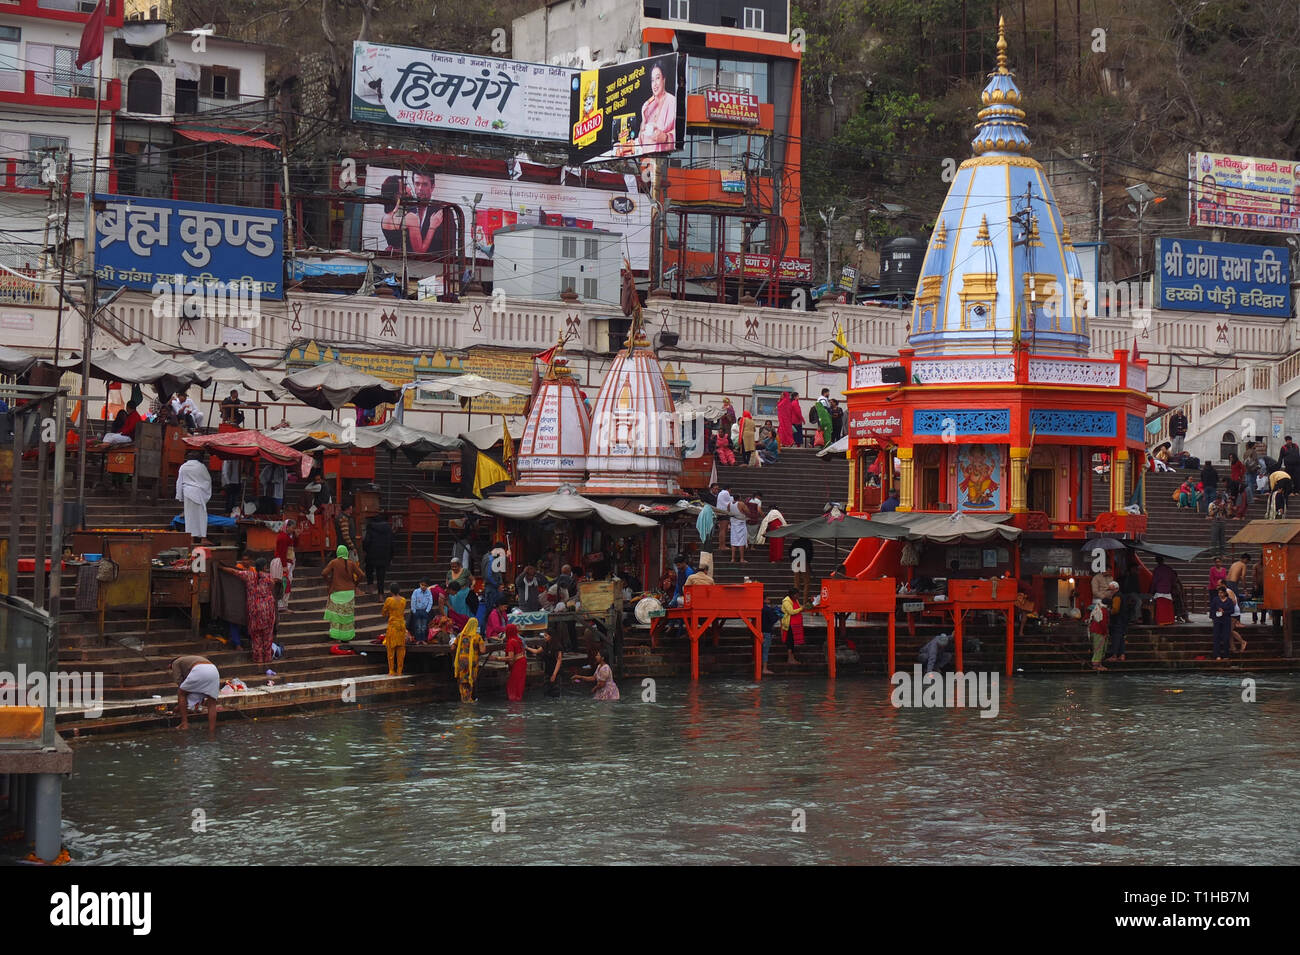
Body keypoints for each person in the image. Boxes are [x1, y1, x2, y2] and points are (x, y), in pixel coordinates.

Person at [322, 544, 364, 641]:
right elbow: (361, 574)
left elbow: (324, 573)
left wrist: (329, 582)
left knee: (336, 616)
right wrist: (355, 584)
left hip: (336, 592)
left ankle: (336, 636)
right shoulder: (351, 563)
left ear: (338, 552)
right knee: (347, 617)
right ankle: (346, 637)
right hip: (349, 593)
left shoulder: (334, 562)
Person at [171, 654, 220, 731]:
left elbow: (179, 682)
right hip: (214, 670)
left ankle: (184, 723)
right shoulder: (190, 660)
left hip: (199, 669)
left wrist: (181, 703)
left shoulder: (175, 662)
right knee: (212, 702)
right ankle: (212, 730)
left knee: (181, 693)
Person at [636, 62, 677, 149]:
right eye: (652, 80)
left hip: (664, 159)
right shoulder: (648, 106)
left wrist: (666, 138)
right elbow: (641, 141)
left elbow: (680, 133)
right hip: (646, 159)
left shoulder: (672, 102)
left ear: (664, 79)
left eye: (657, 78)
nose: (654, 84)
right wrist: (643, 119)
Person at [175, 452, 212, 544]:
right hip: (198, 493)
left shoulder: (183, 467)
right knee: (201, 515)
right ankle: (203, 537)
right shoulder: (201, 466)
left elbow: (179, 482)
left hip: (187, 493)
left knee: (189, 516)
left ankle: (191, 538)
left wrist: (180, 496)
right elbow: (207, 480)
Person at [409, 168, 446, 256]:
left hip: (435, 264)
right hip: (407, 263)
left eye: (425, 184)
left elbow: (450, 247)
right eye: (417, 184)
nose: (420, 188)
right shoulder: (407, 210)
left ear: (432, 187)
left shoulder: (442, 212)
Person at [453, 618, 487, 702]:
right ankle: (468, 699)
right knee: (469, 679)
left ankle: (463, 698)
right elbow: (482, 650)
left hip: (461, 661)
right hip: (472, 662)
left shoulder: (460, 636)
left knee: (462, 680)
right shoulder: (477, 637)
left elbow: (453, 647)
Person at [362, 513, 394, 597]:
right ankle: (380, 595)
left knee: (369, 570)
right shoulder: (388, 528)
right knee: (381, 575)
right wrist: (391, 556)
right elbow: (392, 543)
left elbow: (367, 541)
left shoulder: (370, 528)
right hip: (384, 555)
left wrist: (365, 549)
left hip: (372, 554)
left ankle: (370, 587)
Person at [381, 583, 408, 676]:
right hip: (401, 625)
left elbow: (384, 613)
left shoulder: (389, 600)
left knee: (391, 649)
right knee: (401, 649)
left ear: (391, 591)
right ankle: (400, 670)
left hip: (393, 626)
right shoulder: (403, 600)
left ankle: (391, 670)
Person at [499, 623, 527, 702]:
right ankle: (518, 699)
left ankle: (514, 702)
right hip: (523, 661)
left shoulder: (511, 642)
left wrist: (497, 658)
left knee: (513, 684)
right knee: (519, 683)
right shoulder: (519, 639)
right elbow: (523, 651)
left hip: (518, 663)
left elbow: (510, 658)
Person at [479, 541, 505, 628]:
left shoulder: (486, 557)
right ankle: (485, 632)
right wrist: (497, 585)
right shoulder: (491, 559)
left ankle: (487, 631)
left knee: (489, 612)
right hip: (492, 588)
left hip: (490, 588)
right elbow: (488, 576)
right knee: (490, 612)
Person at [1210, 583, 1237, 661]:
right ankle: (1217, 655)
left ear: (1225, 593)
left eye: (1221, 592)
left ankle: (1226, 655)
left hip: (1226, 620)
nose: (1220, 594)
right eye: (1219, 593)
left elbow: (1232, 610)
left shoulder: (1229, 601)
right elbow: (1212, 610)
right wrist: (1215, 615)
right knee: (1216, 637)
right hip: (1218, 620)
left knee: (1226, 638)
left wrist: (1224, 612)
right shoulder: (1215, 600)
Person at [274, 519, 297, 611]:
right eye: (292, 528)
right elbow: (282, 553)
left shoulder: (287, 536)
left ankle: (283, 604)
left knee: (286, 583)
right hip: (283, 563)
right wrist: (284, 566)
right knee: (284, 584)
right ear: (287, 527)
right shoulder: (283, 537)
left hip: (287, 563)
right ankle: (281, 604)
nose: (293, 530)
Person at [1104, 580, 1127, 663]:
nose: (1110, 591)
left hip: (1117, 621)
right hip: (1123, 621)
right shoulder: (1121, 595)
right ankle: (1122, 655)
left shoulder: (1117, 596)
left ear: (1115, 589)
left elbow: (1115, 610)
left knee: (1116, 638)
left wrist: (1108, 611)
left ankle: (1114, 655)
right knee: (1121, 638)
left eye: (1110, 590)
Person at [780, 587, 804, 665]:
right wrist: (801, 609)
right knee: (790, 641)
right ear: (792, 595)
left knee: (793, 641)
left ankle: (792, 658)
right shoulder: (786, 601)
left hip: (795, 624)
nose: (798, 596)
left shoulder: (795, 600)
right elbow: (791, 612)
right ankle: (790, 658)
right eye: (796, 595)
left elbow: (800, 607)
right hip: (789, 624)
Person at [1150, 554, 1176, 626]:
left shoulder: (1157, 569)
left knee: (1160, 608)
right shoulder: (1169, 568)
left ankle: (1160, 621)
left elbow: (1154, 582)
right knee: (1167, 608)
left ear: (1156, 561)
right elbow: (1173, 579)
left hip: (1159, 591)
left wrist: (1151, 591)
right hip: (1167, 590)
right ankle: (1169, 620)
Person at [760, 596, 782, 675]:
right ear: (764, 600)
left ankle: (759, 666)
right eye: (768, 599)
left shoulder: (759, 608)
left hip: (759, 631)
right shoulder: (768, 609)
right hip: (766, 632)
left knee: (759, 650)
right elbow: (773, 620)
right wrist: (777, 615)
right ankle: (764, 669)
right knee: (765, 651)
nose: (769, 600)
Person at [539, 630, 564, 697]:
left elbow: (559, 661)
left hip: (555, 672)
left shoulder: (557, 646)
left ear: (551, 637)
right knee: (546, 692)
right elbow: (537, 651)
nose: (544, 637)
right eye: (544, 635)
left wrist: (554, 674)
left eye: (546, 635)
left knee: (555, 692)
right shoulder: (545, 645)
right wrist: (526, 647)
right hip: (547, 672)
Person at [1087, 597, 1109, 671]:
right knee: (1099, 648)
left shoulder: (1097, 608)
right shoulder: (1104, 610)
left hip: (1094, 630)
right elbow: (1103, 623)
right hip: (1099, 631)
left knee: (1097, 647)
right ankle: (1096, 665)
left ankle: (1099, 664)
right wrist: (1105, 632)